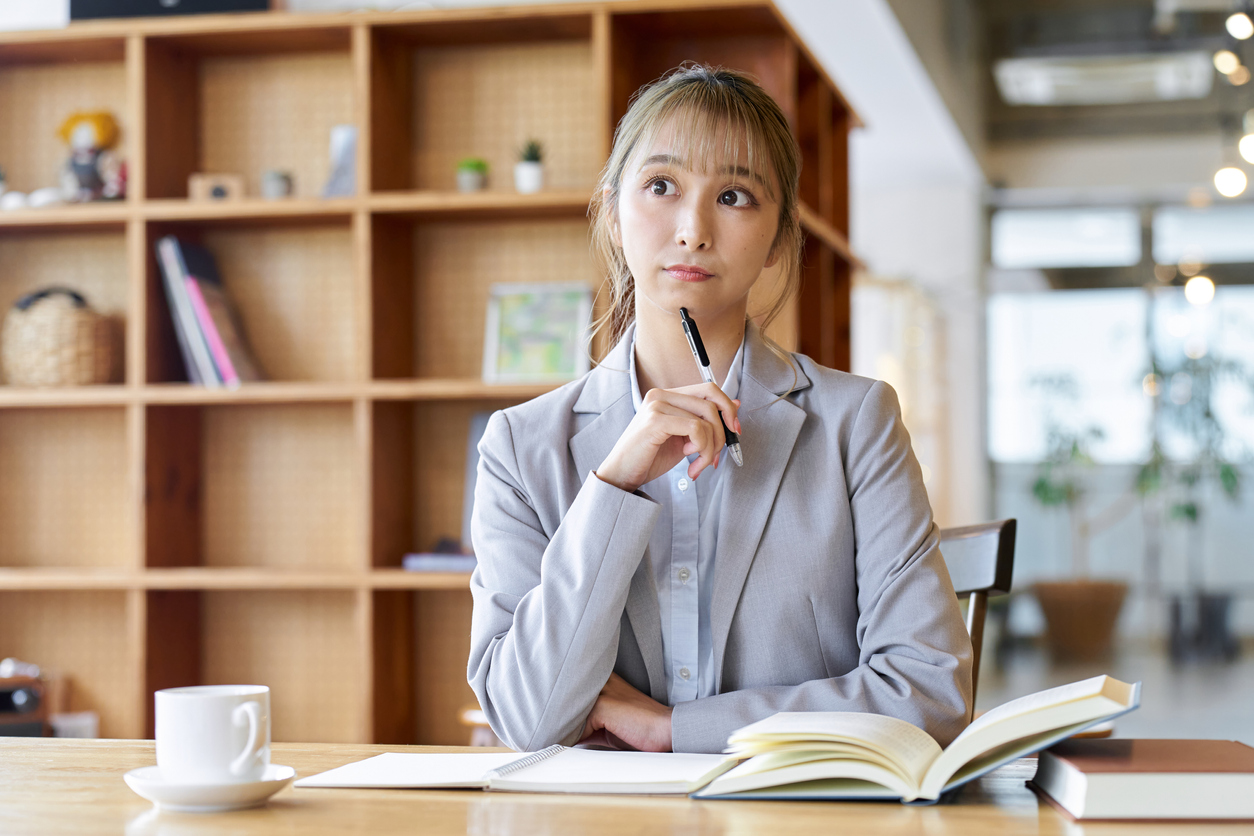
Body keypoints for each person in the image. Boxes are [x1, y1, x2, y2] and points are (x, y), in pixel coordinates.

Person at [467, 64, 972, 755]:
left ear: (778, 241)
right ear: (614, 216)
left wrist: (678, 731)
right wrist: (613, 485)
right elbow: (529, 718)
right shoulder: (520, 446)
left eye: (733, 195)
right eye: (661, 187)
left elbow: (929, 693)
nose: (693, 229)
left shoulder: (858, 423)